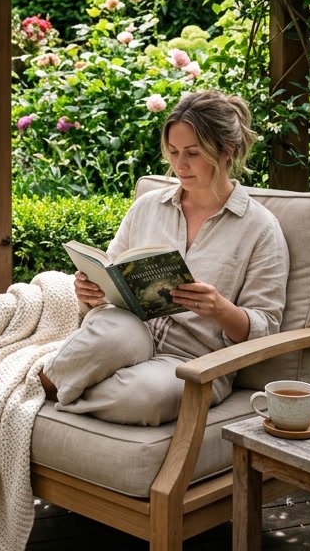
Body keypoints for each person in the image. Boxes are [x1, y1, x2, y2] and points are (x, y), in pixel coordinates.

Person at [39, 88, 290, 425]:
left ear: (227, 151)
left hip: (193, 358)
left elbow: (266, 327)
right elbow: (111, 274)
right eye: (173, 152)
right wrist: (90, 291)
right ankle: (49, 382)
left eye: (193, 153)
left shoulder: (260, 228)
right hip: (130, 328)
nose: (179, 165)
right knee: (110, 337)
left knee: (145, 397)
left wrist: (219, 308)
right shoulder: (148, 207)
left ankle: (62, 386)